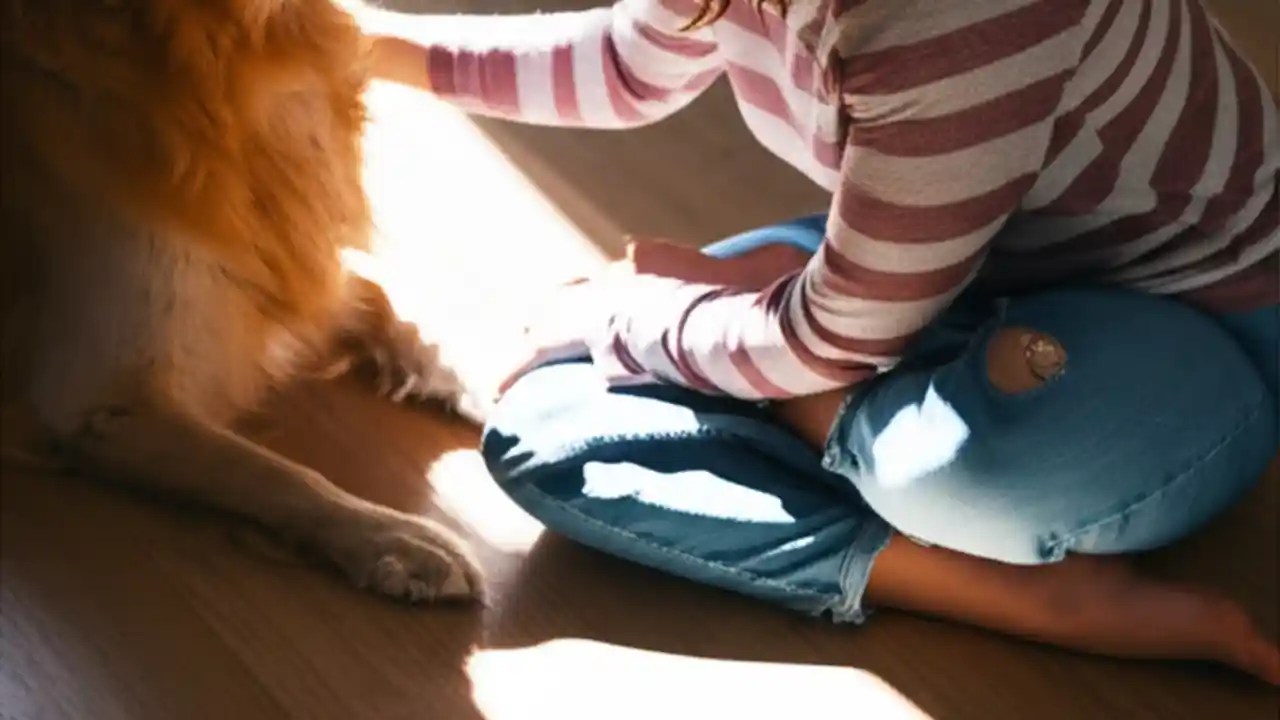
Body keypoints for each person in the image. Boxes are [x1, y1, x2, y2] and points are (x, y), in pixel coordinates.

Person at [362, 0, 1280, 683]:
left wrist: (632, 316)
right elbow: (630, 64)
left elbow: (832, 337)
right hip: (935, 265)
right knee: (545, 430)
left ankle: (818, 406)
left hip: (1186, 318)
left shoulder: (954, 19)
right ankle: (989, 582)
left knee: (953, 470)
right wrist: (374, 47)